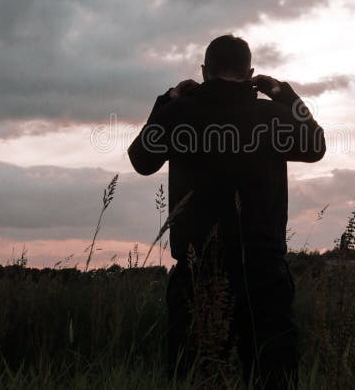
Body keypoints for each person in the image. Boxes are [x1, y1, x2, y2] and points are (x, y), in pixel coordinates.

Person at [128, 34, 325, 389]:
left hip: (197, 272)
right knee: (273, 378)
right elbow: (316, 145)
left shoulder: (177, 114)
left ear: (205, 71)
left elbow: (141, 159)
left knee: (194, 377)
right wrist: (286, 95)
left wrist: (167, 101)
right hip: (263, 273)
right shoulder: (274, 116)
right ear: (249, 74)